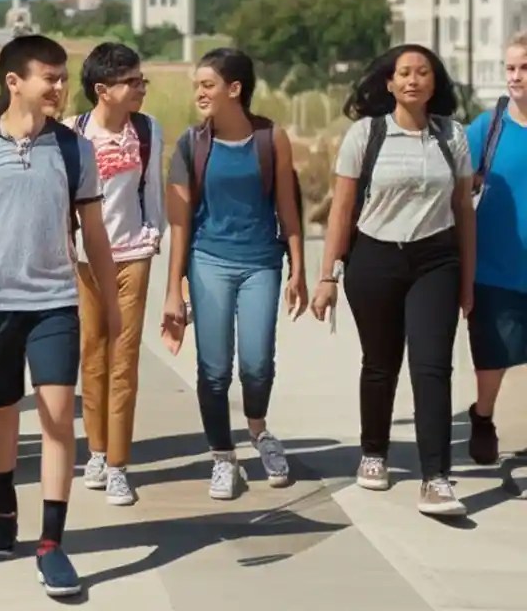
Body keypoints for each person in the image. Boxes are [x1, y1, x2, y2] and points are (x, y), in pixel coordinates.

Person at [0, 35, 122, 599]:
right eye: (51, 78)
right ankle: (5, 509)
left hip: (55, 301)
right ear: (14, 82)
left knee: (60, 415)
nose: (61, 88)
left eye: (64, 78)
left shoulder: (73, 149)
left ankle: (52, 543)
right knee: (0, 411)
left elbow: (94, 233)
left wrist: (109, 301)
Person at [310, 44, 474, 516]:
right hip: (375, 257)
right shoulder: (367, 134)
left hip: (436, 261)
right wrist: (328, 275)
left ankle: (436, 478)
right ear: (389, 82)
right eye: (404, 73)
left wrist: (466, 282)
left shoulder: (452, 137)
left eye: (423, 73)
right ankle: (374, 452)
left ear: (434, 83)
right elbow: (341, 209)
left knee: (432, 366)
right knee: (380, 363)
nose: (413, 80)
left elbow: (464, 210)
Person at [162, 48, 306, 501]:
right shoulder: (190, 144)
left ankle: (260, 432)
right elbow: (180, 225)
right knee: (214, 369)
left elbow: (288, 208)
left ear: (234, 89)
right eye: (197, 86)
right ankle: (223, 457)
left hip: (262, 260)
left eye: (207, 84)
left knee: (258, 362)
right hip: (209, 261)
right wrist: (173, 291)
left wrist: (298, 268)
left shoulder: (271, 138)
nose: (199, 93)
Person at [61, 42, 164, 505]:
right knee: (92, 354)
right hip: (85, 260)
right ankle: (96, 451)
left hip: (133, 255)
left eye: (142, 80)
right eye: (132, 82)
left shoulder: (147, 130)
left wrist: (153, 234)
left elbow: (154, 189)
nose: (141, 88)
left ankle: (119, 464)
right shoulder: (72, 133)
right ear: (103, 90)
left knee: (124, 361)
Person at [460, 33, 527, 468]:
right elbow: (452, 179)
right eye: (511, 68)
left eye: (524, 68)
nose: (516, 77)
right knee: (494, 356)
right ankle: (482, 417)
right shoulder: (490, 126)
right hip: (495, 265)